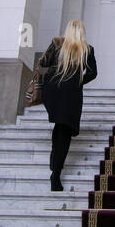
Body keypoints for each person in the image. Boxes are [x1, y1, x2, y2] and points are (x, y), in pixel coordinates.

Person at [39, 20, 97, 191]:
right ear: (82, 32)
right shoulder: (87, 49)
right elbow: (93, 73)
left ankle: (54, 156)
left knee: (60, 124)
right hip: (70, 92)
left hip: (52, 90)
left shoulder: (57, 43)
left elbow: (43, 64)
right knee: (65, 129)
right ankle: (56, 173)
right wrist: (78, 81)